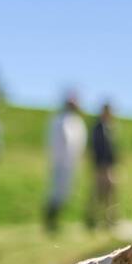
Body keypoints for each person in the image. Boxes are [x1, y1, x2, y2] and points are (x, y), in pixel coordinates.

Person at [44, 93, 87, 233]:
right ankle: (50, 221)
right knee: (56, 193)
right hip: (59, 163)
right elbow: (56, 143)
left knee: (65, 193)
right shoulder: (59, 120)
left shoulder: (77, 122)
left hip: (70, 164)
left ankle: (56, 221)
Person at [86, 102, 119, 231]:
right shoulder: (98, 127)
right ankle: (92, 219)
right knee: (97, 193)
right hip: (101, 166)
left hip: (110, 166)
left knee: (110, 195)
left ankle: (108, 220)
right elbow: (96, 148)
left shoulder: (111, 127)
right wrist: (100, 166)